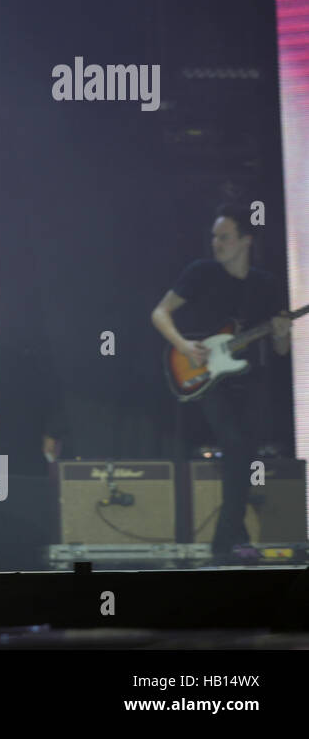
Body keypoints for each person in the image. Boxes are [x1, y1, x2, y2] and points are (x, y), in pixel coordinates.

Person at [150, 205, 291, 565]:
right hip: (206, 372)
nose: (217, 243)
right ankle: (227, 540)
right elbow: (159, 312)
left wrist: (282, 333)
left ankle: (231, 537)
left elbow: (279, 348)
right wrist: (183, 346)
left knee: (246, 449)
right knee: (233, 441)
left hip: (250, 375)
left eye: (224, 237)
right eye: (214, 236)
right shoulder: (201, 273)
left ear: (246, 240)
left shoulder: (266, 284)